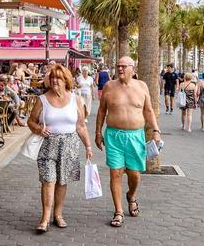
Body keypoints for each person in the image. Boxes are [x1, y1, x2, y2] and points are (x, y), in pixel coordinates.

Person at [28, 65, 93, 233]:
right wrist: (39, 129)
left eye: (59, 77)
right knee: (48, 181)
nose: (55, 80)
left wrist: (88, 145)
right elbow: (30, 121)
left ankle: (58, 215)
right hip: (48, 145)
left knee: (62, 181)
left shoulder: (75, 99)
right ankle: (45, 218)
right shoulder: (41, 99)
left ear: (66, 80)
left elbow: (80, 126)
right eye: (53, 77)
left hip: (69, 145)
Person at [95, 56, 158, 228]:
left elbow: (149, 111)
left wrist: (156, 131)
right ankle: (118, 211)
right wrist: (98, 133)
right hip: (114, 136)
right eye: (118, 66)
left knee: (134, 174)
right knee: (115, 172)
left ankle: (131, 195)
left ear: (133, 69)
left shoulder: (142, 86)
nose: (120, 69)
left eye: (124, 66)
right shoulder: (109, 86)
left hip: (136, 136)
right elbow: (101, 111)